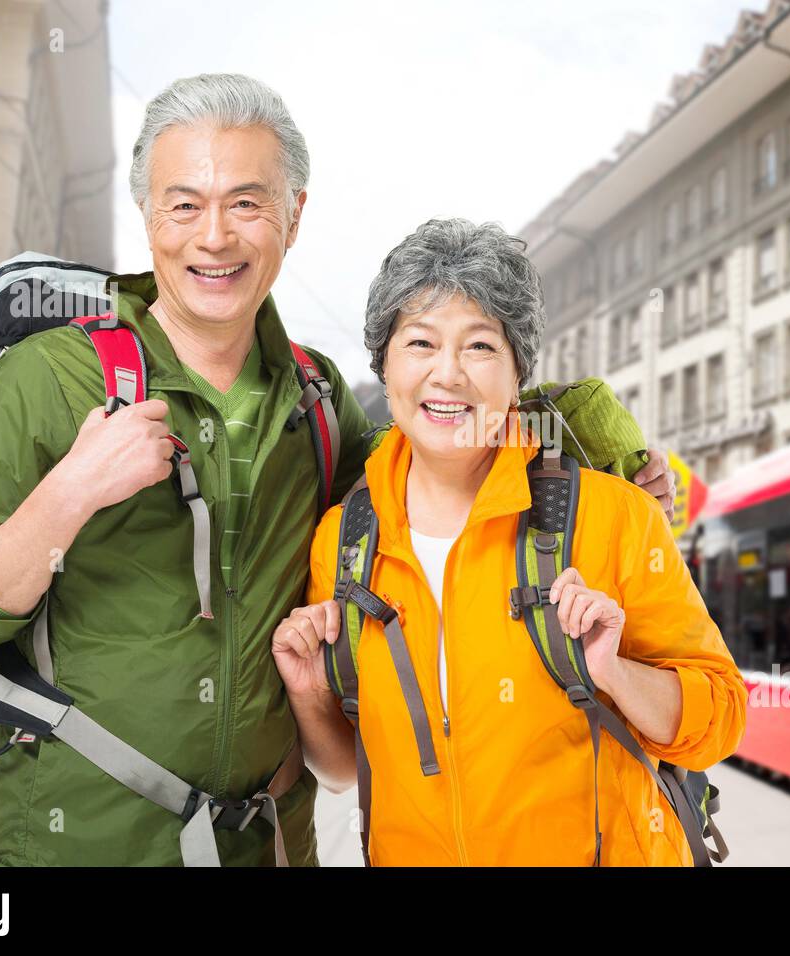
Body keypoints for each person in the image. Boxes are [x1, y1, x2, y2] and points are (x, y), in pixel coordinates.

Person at [0, 75, 676, 867]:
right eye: (184, 205)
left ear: (294, 216)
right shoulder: (48, 379)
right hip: (72, 849)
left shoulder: (317, 402)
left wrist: (598, 452)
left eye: (246, 203)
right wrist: (69, 494)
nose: (214, 237)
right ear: (147, 218)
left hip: (268, 845)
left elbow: (440, 465)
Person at [273, 219, 747, 866]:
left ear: (518, 373)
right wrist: (307, 690)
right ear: (384, 365)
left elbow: (719, 719)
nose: (448, 375)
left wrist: (613, 671)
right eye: (419, 343)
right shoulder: (345, 543)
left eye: (479, 347)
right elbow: (346, 769)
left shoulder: (614, 518)